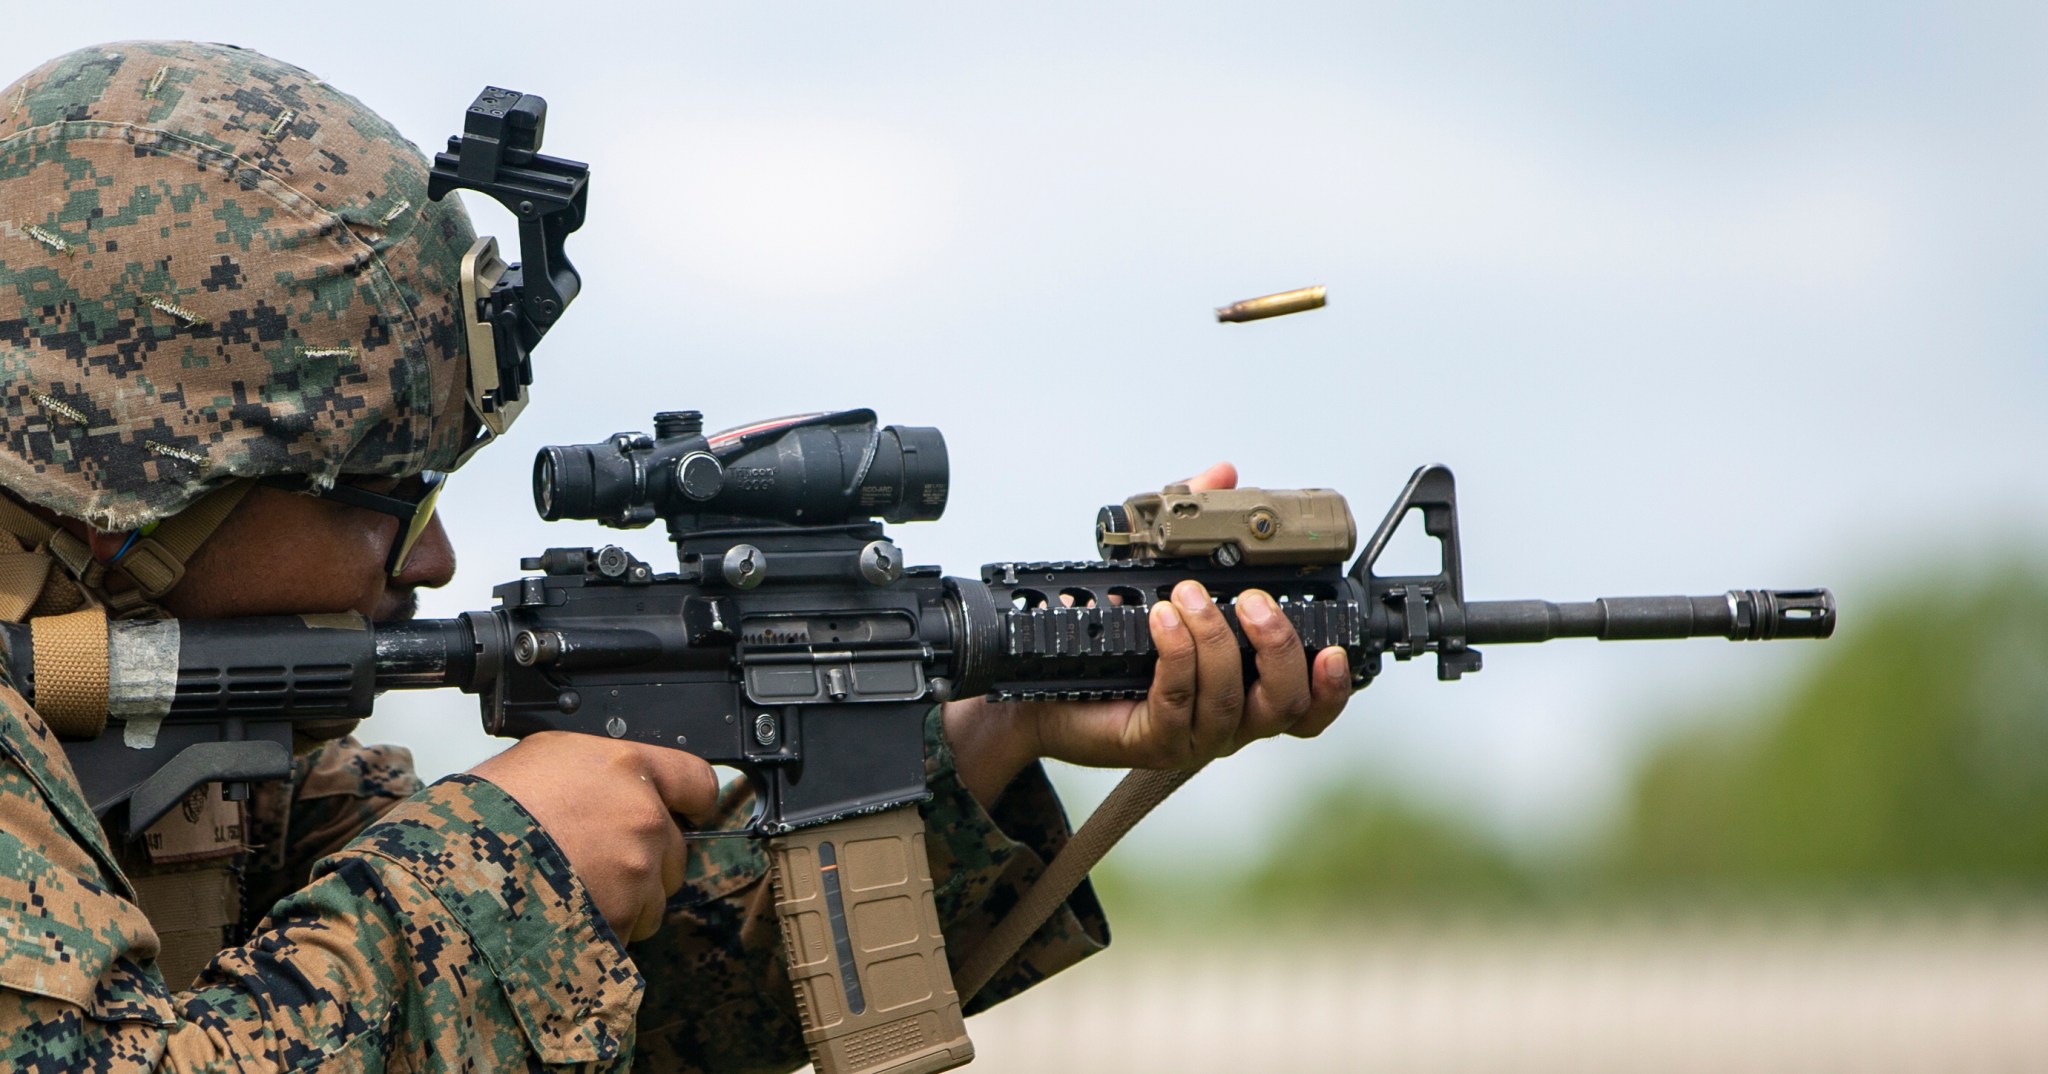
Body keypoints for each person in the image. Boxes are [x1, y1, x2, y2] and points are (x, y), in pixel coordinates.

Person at [0, 41, 1351, 1072]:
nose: (433, 557)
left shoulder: (208, 752)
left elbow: (628, 1021)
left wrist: (986, 726)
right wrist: (503, 860)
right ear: (138, 472)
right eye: (382, 493)